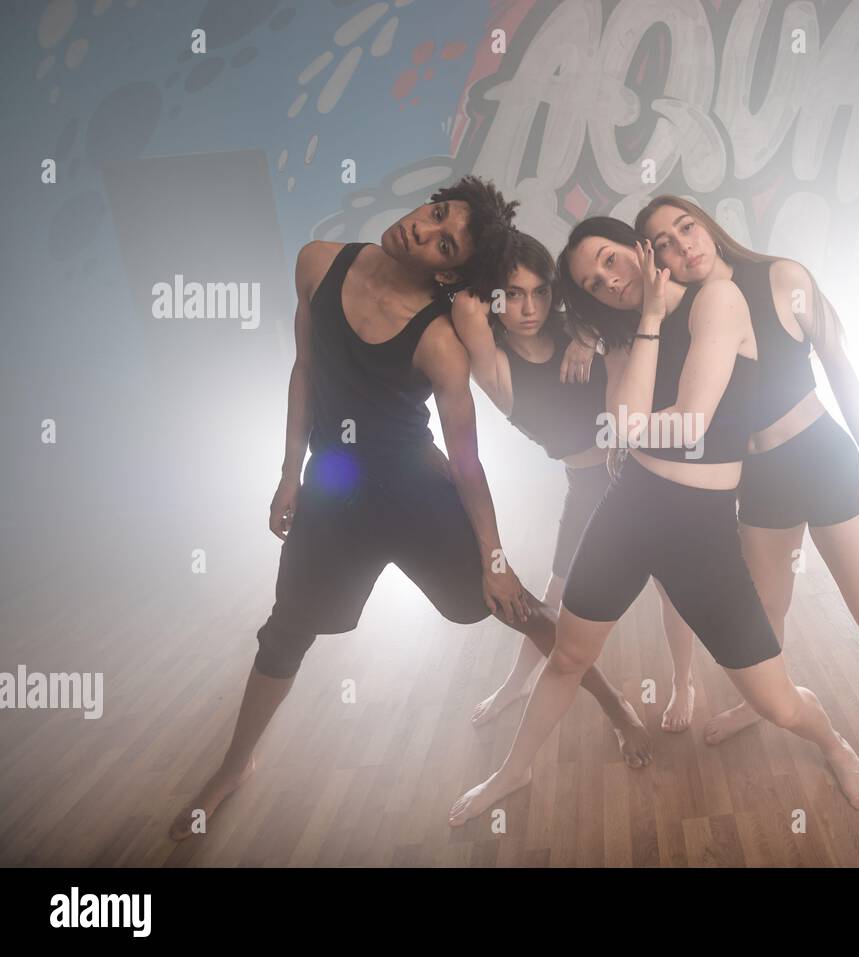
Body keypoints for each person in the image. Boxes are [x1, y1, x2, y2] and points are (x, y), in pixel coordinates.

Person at [169, 179, 650, 842]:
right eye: (437, 213)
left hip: (418, 494)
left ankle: (617, 706)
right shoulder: (316, 261)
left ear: (448, 268)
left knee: (520, 608)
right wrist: (287, 473)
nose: (424, 230)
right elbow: (305, 369)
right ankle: (233, 764)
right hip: (333, 491)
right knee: (284, 633)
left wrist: (496, 559)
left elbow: (466, 462)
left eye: (445, 241)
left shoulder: (441, 340)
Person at [448, 217, 859, 826]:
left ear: (639, 249)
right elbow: (622, 420)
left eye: (609, 260)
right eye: (592, 282)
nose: (606, 279)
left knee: (776, 702)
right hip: (629, 508)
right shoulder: (625, 334)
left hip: (701, 532)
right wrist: (642, 323)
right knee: (568, 656)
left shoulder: (717, 302)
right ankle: (513, 771)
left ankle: (833, 742)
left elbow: (688, 423)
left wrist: (631, 400)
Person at [636, 196, 859, 811]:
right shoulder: (680, 311)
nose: (683, 246)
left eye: (686, 227)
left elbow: (840, 364)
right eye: (666, 244)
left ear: (706, 224)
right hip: (758, 482)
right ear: (658, 260)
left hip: (823, 460)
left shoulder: (782, 277)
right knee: (766, 619)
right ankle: (763, 706)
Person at [449, 231, 698, 732]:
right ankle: (517, 681)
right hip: (585, 484)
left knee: (671, 588)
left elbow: (620, 327)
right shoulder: (495, 367)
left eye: (540, 292)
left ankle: (683, 683)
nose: (528, 308)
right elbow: (466, 308)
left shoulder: (575, 328)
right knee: (554, 595)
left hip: (639, 473)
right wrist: (487, 263)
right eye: (512, 295)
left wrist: (586, 335)